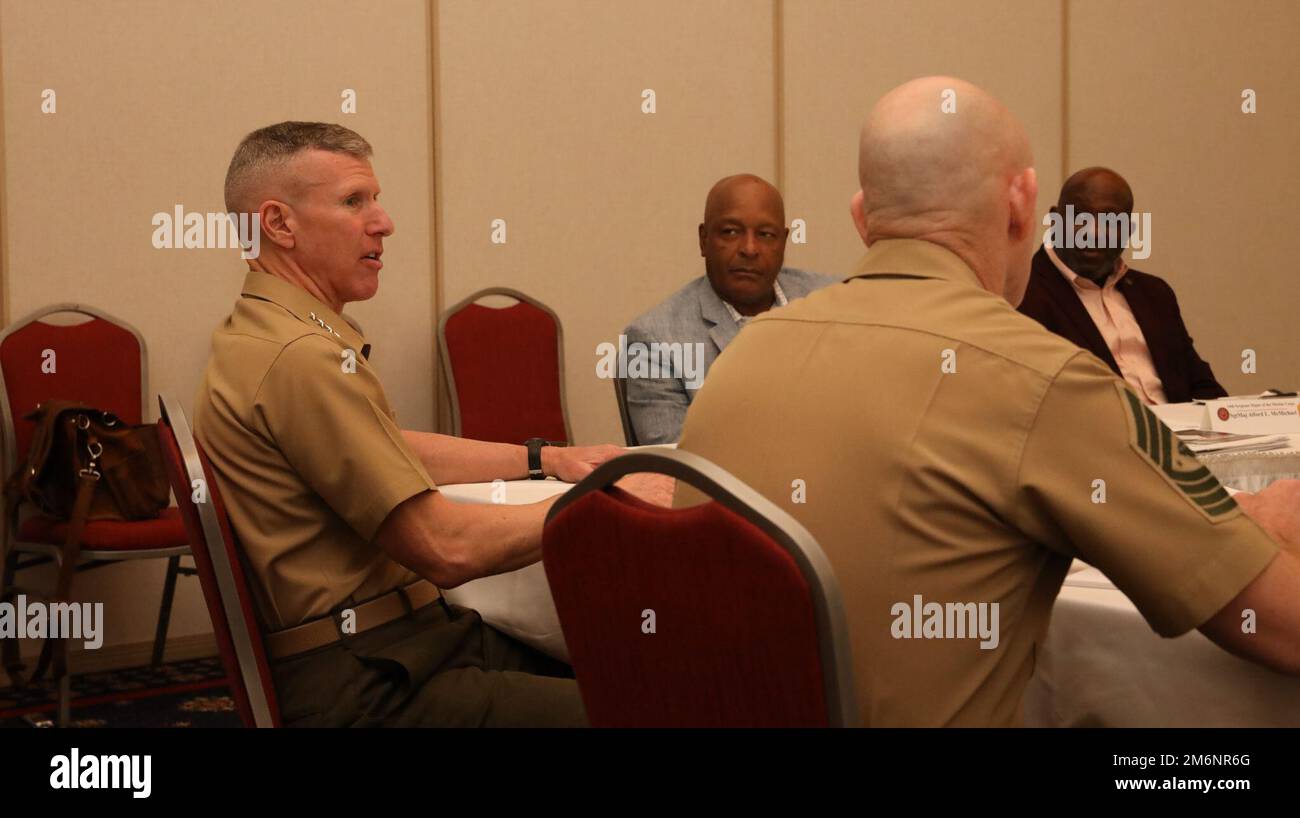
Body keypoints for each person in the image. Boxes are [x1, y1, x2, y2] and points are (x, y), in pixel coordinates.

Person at [674, 77, 1300, 726]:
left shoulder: (739, 360)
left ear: (862, 216)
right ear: (1022, 208)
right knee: (1212, 770)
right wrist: (1273, 533)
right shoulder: (1045, 380)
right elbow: (1284, 631)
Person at [193, 121, 665, 727]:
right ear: (280, 224)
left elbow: (386, 447)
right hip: (371, 684)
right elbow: (445, 548)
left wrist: (543, 461)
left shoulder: (263, 333)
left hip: (397, 646)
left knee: (630, 660)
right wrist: (603, 502)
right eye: (353, 201)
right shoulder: (300, 360)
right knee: (655, 700)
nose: (383, 222)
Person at [621, 174, 837, 444]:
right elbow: (677, 465)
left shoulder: (835, 302)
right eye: (731, 232)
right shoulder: (655, 340)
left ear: (782, 242)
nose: (749, 248)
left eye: (765, 235)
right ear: (704, 239)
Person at [1018, 167, 1226, 403]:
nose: (1093, 232)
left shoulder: (1155, 294)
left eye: (1110, 220)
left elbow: (1203, 387)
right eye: (1079, 217)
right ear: (1056, 220)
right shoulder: (1021, 293)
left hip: (1179, 436)